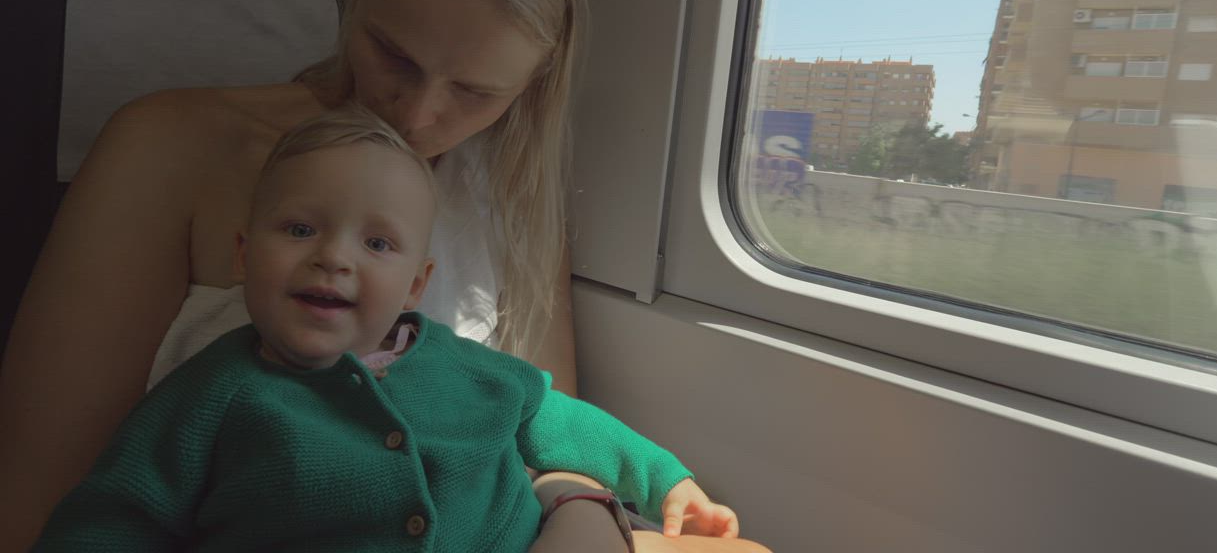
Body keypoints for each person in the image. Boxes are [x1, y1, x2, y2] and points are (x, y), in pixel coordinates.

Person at [0, 0, 769, 553]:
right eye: (393, 55)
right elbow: (39, 504)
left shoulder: (513, 195)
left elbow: (542, 426)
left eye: (475, 92)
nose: (418, 115)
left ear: (531, 83)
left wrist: (583, 508)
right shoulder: (172, 144)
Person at [32, 107, 738, 552]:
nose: (333, 257)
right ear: (244, 256)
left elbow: (556, 418)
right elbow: (112, 517)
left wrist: (667, 482)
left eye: (376, 244)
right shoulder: (212, 395)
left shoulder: (467, 369)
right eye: (300, 228)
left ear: (416, 286)